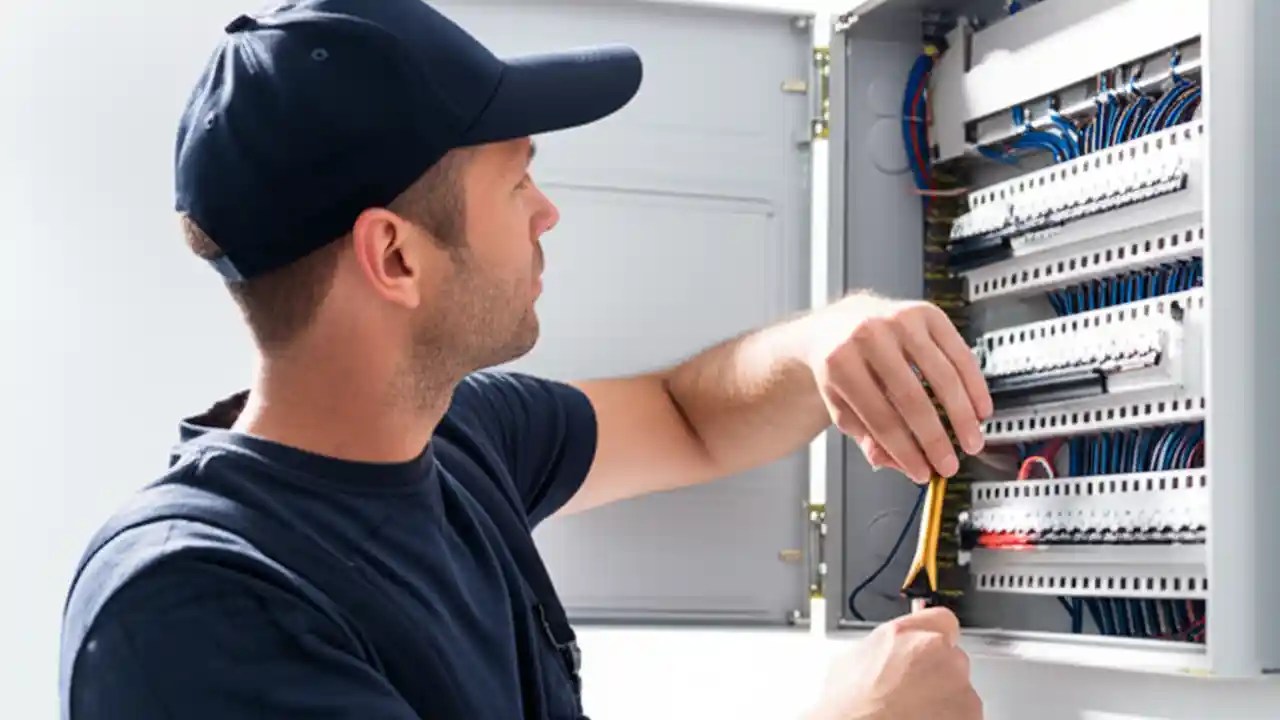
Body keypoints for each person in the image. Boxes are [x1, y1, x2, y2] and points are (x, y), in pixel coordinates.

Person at [58, 1, 991, 718]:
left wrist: (832, 337)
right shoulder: (193, 607)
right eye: (516, 181)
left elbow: (685, 416)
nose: (547, 213)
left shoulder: (461, 440)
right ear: (395, 256)